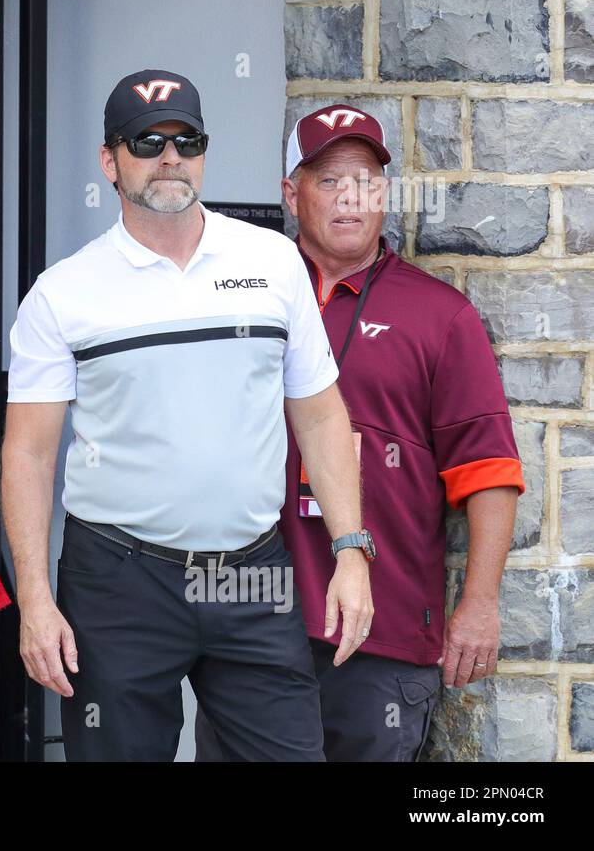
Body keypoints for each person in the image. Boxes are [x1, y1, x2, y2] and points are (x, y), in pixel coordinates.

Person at [1, 69, 373, 761]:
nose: (169, 156)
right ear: (110, 161)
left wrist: (352, 550)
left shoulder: (273, 264)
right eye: (147, 142)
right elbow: (28, 455)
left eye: (186, 140)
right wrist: (34, 599)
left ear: (204, 152)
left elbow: (321, 420)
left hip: (251, 571)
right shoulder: (62, 295)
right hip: (120, 580)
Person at [195, 104, 524, 762]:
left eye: (367, 180)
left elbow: (486, 470)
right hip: (247, 631)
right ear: (291, 194)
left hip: (381, 633)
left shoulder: (440, 316)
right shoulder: (235, 300)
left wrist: (480, 604)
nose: (351, 198)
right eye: (327, 180)